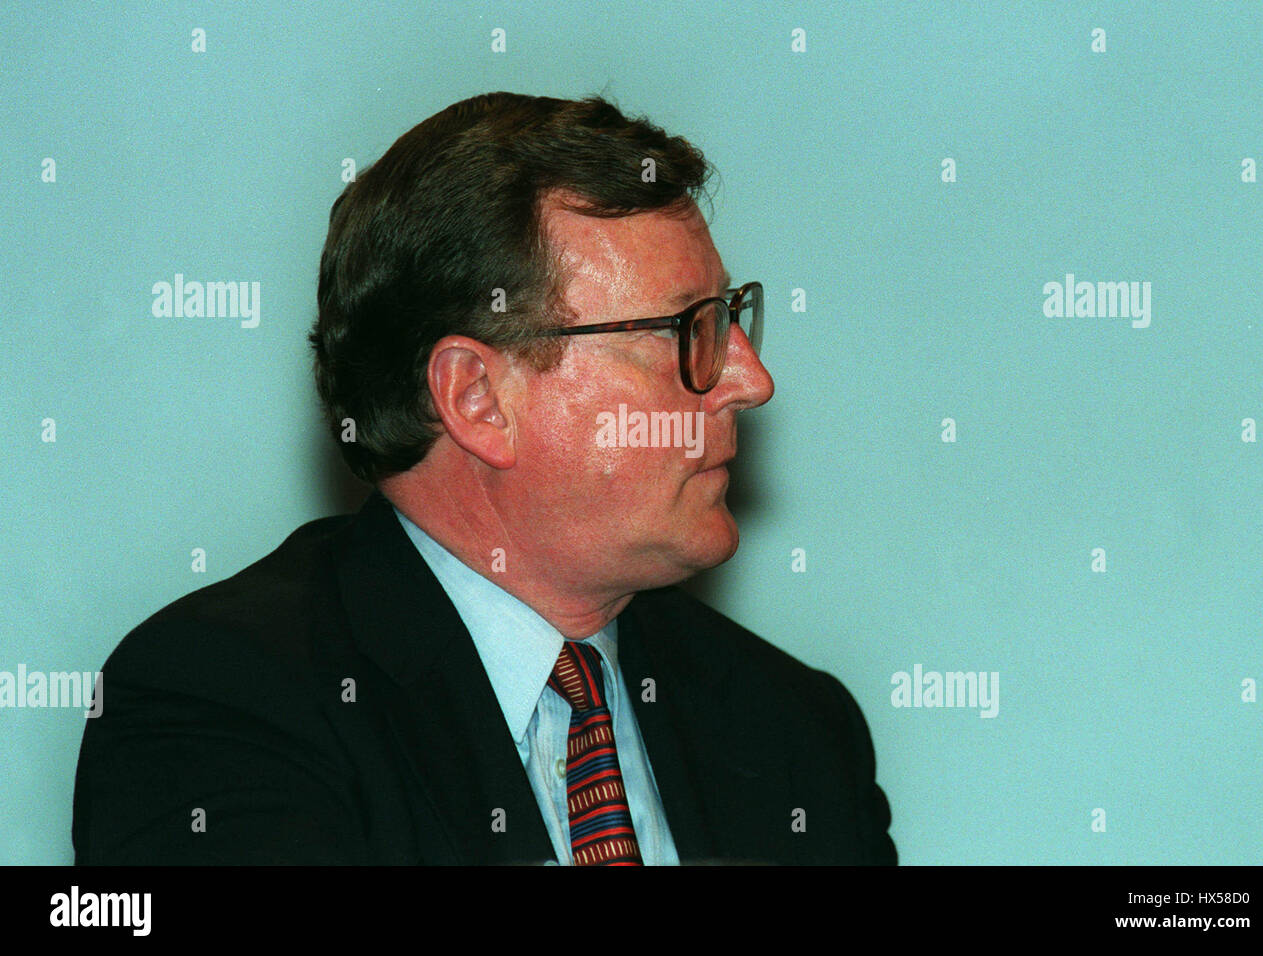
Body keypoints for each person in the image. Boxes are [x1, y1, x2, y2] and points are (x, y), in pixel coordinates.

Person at [72, 92, 896, 865]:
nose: (751, 380)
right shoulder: (225, 699)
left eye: (730, 318)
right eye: (689, 329)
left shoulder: (794, 727)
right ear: (477, 398)